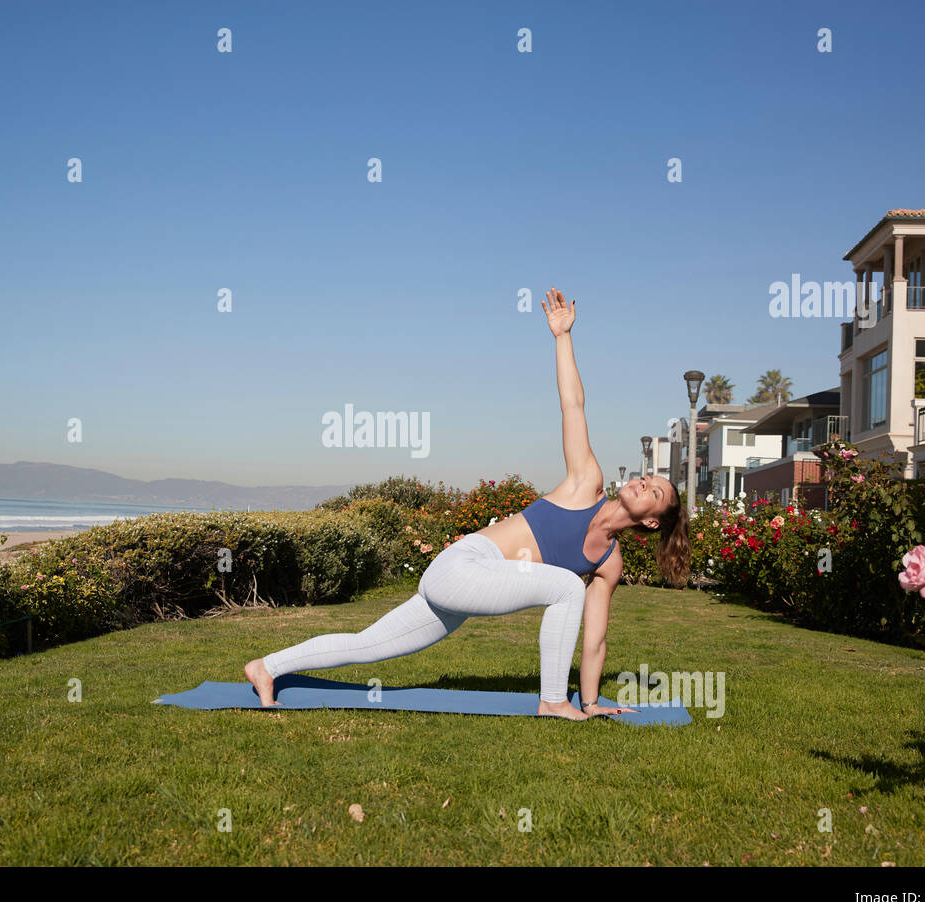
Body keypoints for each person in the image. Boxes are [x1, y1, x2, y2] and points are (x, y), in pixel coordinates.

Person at [245, 288, 691, 720]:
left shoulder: (609, 563)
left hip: (467, 591)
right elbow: (572, 404)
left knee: (368, 643)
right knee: (566, 586)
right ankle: (553, 701)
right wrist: (562, 337)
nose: (643, 482)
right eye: (649, 478)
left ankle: (266, 667)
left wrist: (592, 702)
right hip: (463, 567)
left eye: (654, 492)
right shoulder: (584, 483)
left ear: (652, 522)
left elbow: (595, 640)